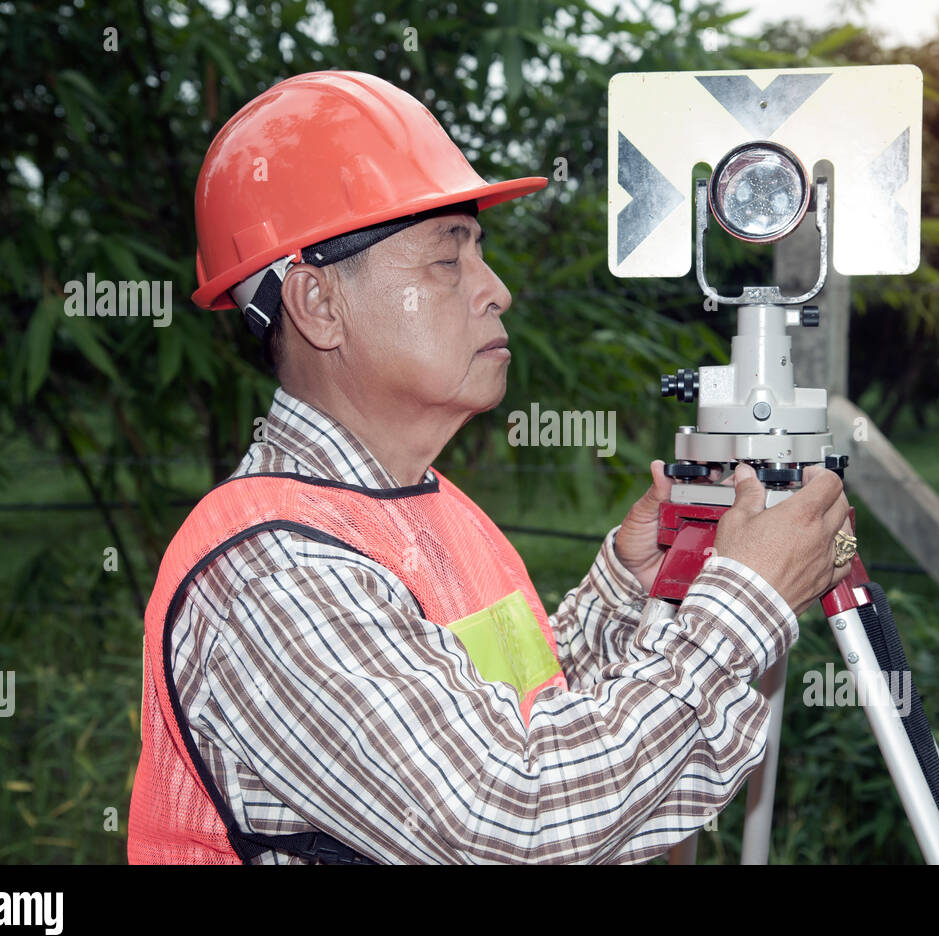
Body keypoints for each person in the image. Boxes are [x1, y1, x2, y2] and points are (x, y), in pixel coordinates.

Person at [127, 70, 853, 864]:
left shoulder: (419, 502)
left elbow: (508, 710)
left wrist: (628, 590)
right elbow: (511, 818)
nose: (496, 291)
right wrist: (742, 605)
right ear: (318, 305)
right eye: (448, 260)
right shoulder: (268, 570)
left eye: (481, 254)